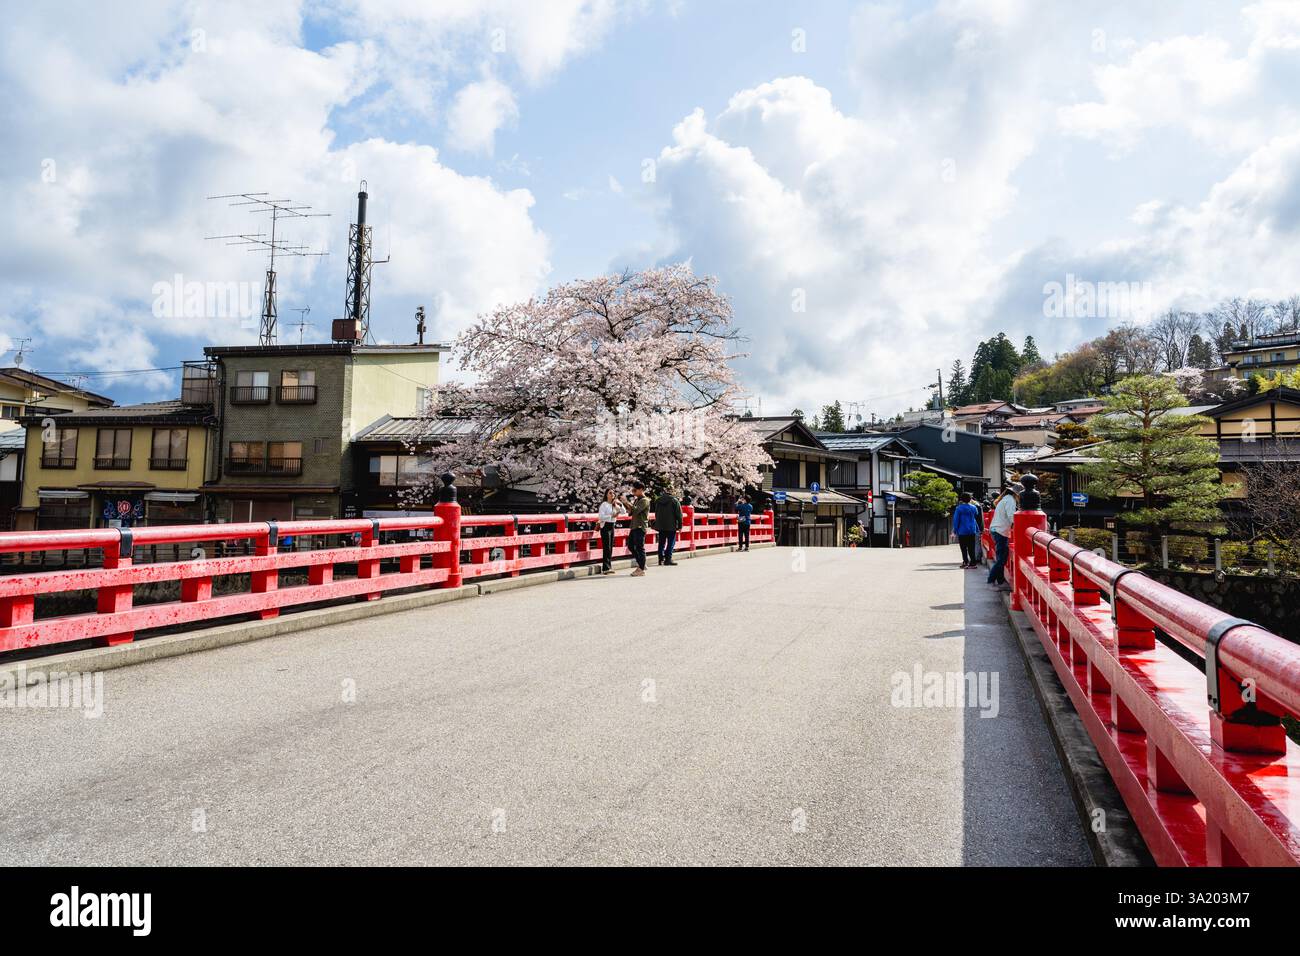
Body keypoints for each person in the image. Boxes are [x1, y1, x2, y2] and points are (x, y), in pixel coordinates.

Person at [986, 482, 1022, 591]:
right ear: (1017, 494)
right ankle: (990, 580)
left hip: (997, 530)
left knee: (1001, 557)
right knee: (1002, 558)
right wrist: (1019, 525)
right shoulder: (1010, 500)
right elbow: (1011, 516)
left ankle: (1000, 581)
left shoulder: (1005, 499)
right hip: (1000, 531)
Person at [622, 482, 651, 576]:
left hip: (640, 526)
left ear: (641, 489)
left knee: (639, 547)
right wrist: (624, 504)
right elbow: (631, 512)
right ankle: (642, 563)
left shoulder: (644, 500)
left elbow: (636, 510)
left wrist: (626, 502)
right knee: (630, 545)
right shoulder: (637, 500)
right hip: (634, 525)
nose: (633, 491)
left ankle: (641, 569)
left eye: (635, 490)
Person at [654, 486, 683, 565]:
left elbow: (656, 513)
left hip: (661, 525)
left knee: (661, 543)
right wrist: (680, 526)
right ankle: (668, 559)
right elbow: (679, 515)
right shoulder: (674, 501)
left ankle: (660, 559)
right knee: (671, 543)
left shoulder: (658, 500)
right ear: (672, 492)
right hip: (671, 525)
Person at [951, 492, 981, 569]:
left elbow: (956, 520)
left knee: (963, 548)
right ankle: (973, 563)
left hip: (962, 530)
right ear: (970, 499)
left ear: (961, 499)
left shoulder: (959, 508)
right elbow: (976, 514)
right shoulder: (974, 507)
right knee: (971, 547)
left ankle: (965, 562)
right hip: (972, 529)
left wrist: (954, 531)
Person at [597, 489, 622, 575]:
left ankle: (609, 566)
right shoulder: (604, 505)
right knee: (606, 547)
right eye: (610, 493)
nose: (612, 494)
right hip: (605, 526)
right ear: (606, 495)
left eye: (613, 493)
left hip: (612, 526)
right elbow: (601, 517)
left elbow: (624, 512)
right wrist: (612, 515)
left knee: (610, 547)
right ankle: (606, 568)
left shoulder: (614, 504)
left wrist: (620, 504)